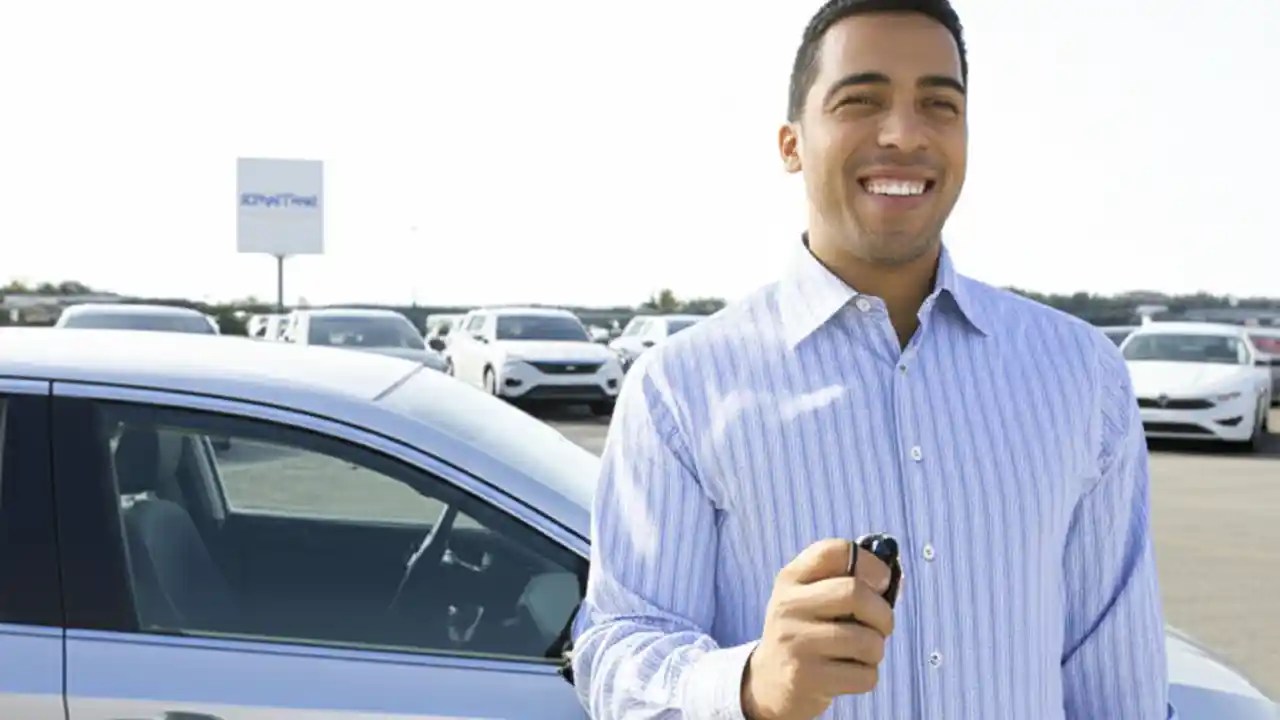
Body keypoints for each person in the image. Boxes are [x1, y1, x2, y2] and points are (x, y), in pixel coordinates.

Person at [569, 0, 1174, 718]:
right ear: (792, 144)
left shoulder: (1081, 375)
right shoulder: (680, 389)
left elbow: (1119, 686)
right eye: (862, 100)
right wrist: (754, 683)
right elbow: (617, 651)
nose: (903, 133)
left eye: (938, 105)